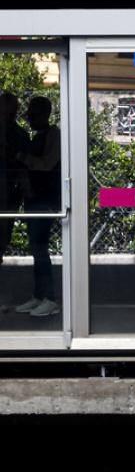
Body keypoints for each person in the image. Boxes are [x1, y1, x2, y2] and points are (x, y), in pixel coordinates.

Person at [15, 97, 60, 317]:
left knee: (40, 248)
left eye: (32, 115)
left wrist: (23, 158)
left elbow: (48, 163)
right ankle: (39, 295)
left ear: (44, 114)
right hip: (34, 199)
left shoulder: (53, 135)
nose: (29, 119)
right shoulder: (39, 136)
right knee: (36, 247)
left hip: (45, 199)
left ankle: (49, 298)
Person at [0, 92, 31, 264]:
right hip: (10, 191)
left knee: (4, 233)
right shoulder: (21, 134)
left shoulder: (20, 135)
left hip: (10, 191)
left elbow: (24, 165)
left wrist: (24, 190)